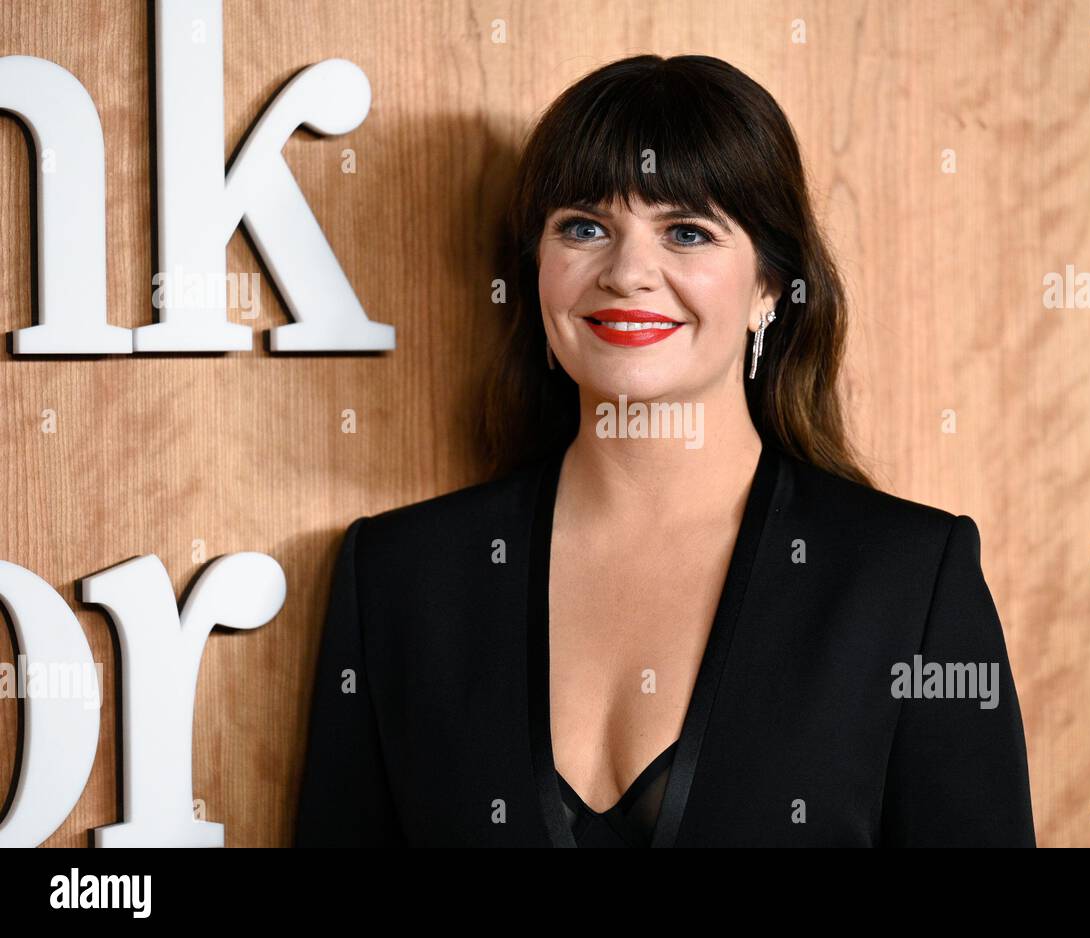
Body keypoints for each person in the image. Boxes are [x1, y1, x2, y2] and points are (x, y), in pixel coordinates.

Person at [294, 53, 1035, 847]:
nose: (628, 273)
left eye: (687, 231)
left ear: (768, 290)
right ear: (536, 271)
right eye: (584, 228)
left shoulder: (910, 581)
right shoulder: (399, 575)